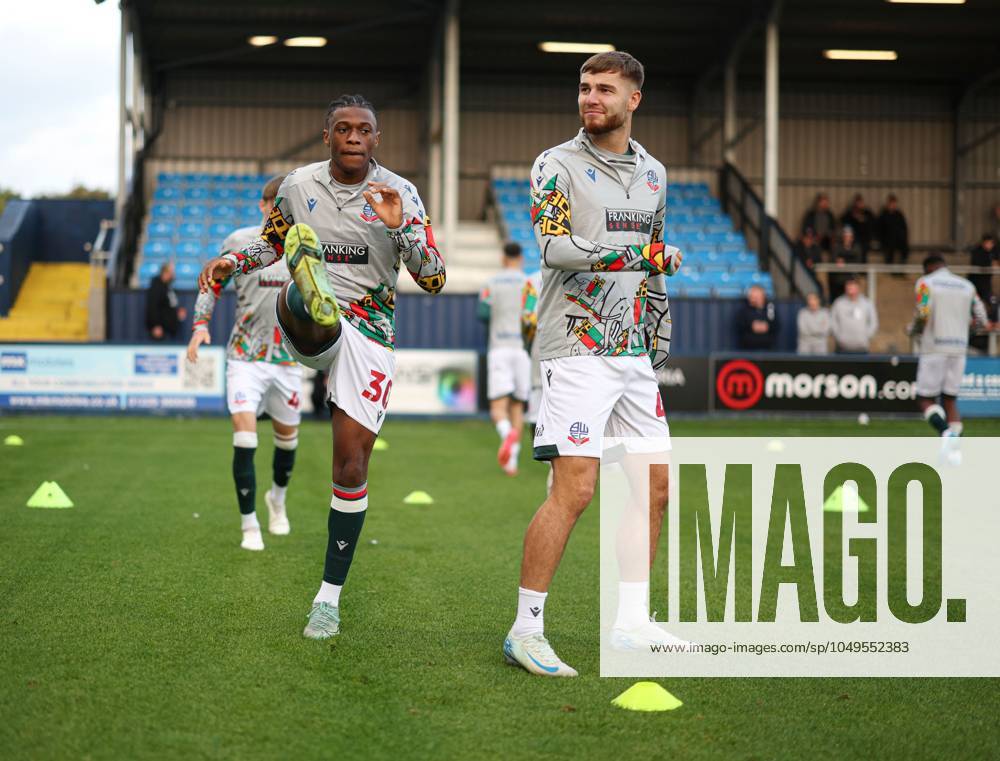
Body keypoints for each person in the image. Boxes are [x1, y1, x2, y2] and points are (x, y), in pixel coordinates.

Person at [197, 94, 446, 640]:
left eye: (364, 130)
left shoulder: (400, 192)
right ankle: (311, 291)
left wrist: (400, 226)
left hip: (371, 335)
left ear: (376, 140)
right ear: (326, 136)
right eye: (343, 128)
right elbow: (268, 243)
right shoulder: (298, 185)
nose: (354, 136)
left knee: (351, 469)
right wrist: (231, 262)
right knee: (302, 295)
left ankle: (327, 600)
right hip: (308, 325)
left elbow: (433, 279)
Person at [505, 51, 683, 678]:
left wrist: (658, 331)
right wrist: (640, 253)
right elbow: (553, 248)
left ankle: (633, 622)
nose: (590, 98)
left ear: (634, 99)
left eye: (604, 89)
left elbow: (652, 265)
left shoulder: (656, 174)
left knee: (655, 486)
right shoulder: (556, 165)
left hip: (632, 353)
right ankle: (525, 631)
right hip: (574, 349)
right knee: (575, 490)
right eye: (584, 88)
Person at [187, 175, 301, 552]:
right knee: (246, 437)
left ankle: (277, 501)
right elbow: (212, 283)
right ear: (264, 206)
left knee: (287, 444)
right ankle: (249, 526)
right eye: (276, 207)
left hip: (288, 359)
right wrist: (200, 325)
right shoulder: (240, 242)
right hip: (245, 357)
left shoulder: (305, 247)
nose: (281, 215)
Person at [910, 254, 990, 451]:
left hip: (934, 348)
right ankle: (954, 453)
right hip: (959, 348)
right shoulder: (967, 286)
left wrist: (915, 331)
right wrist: (967, 331)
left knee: (925, 399)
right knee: (950, 400)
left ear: (928, 268)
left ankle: (946, 432)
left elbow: (923, 313)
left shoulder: (925, 283)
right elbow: (981, 318)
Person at [478, 242, 531, 476]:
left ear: (503, 258)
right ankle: (512, 463)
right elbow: (532, 317)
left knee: (498, 408)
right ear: (520, 258)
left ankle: (506, 433)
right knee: (518, 406)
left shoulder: (491, 282)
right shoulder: (528, 283)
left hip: (499, 347)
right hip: (521, 350)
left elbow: (483, 313)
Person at [830, 277, 878, 353]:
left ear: (858, 287)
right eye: (848, 287)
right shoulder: (838, 303)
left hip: (861, 347)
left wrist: (865, 338)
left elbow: (873, 323)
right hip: (842, 347)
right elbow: (832, 321)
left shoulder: (867, 303)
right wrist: (839, 338)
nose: (850, 290)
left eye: (852, 287)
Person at [145, 262, 187, 340]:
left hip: (170, 330)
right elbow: (152, 307)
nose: (173, 275)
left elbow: (169, 305)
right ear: (165, 273)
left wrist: (177, 314)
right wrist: (155, 325)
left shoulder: (168, 287)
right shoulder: (156, 287)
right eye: (172, 272)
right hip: (160, 331)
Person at [736, 284, 779, 350]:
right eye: (751, 296)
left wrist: (767, 326)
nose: (753, 299)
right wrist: (751, 326)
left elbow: (776, 324)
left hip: (768, 349)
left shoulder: (770, 308)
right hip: (748, 349)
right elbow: (740, 326)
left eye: (756, 297)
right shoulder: (744, 310)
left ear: (762, 296)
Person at [828, 226, 864, 302]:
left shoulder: (856, 247)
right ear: (843, 237)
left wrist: (845, 261)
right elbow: (833, 259)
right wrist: (839, 261)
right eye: (845, 236)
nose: (847, 238)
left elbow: (858, 262)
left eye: (849, 236)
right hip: (839, 280)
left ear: (852, 238)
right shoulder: (837, 246)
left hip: (851, 277)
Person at [969, 234, 997, 315]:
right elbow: (978, 264)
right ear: (983, 242)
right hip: (976, 282)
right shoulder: (977, 251)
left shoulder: (993, 251)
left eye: (992, 243)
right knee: (974, 302)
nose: (990, 245)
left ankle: (993, 321)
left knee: (992, 302)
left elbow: (996, 262)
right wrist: (991, 264)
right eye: (988, 243)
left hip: (986, 284)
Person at [877, 194, 909, 267]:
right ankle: (889, 268)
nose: (893, 205)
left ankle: (902, 268)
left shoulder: (899, 214)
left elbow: (904, 228)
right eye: (891, 203)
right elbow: (879, 229)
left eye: (894, 203)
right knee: (889, 249)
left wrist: (903, 237)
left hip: (898, 239)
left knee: (905, 248)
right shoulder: (883, 214)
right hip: (887, 240)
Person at [841, 194, 875, 259]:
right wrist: (854, 217)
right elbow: (844, 221)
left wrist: (863, 218)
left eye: (860, 203)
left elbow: (873, 222)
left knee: (864, 248)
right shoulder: (850, 212)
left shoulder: (867, 213)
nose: (859, 205)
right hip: (854, 238)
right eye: (857, 203)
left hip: (865, 238)